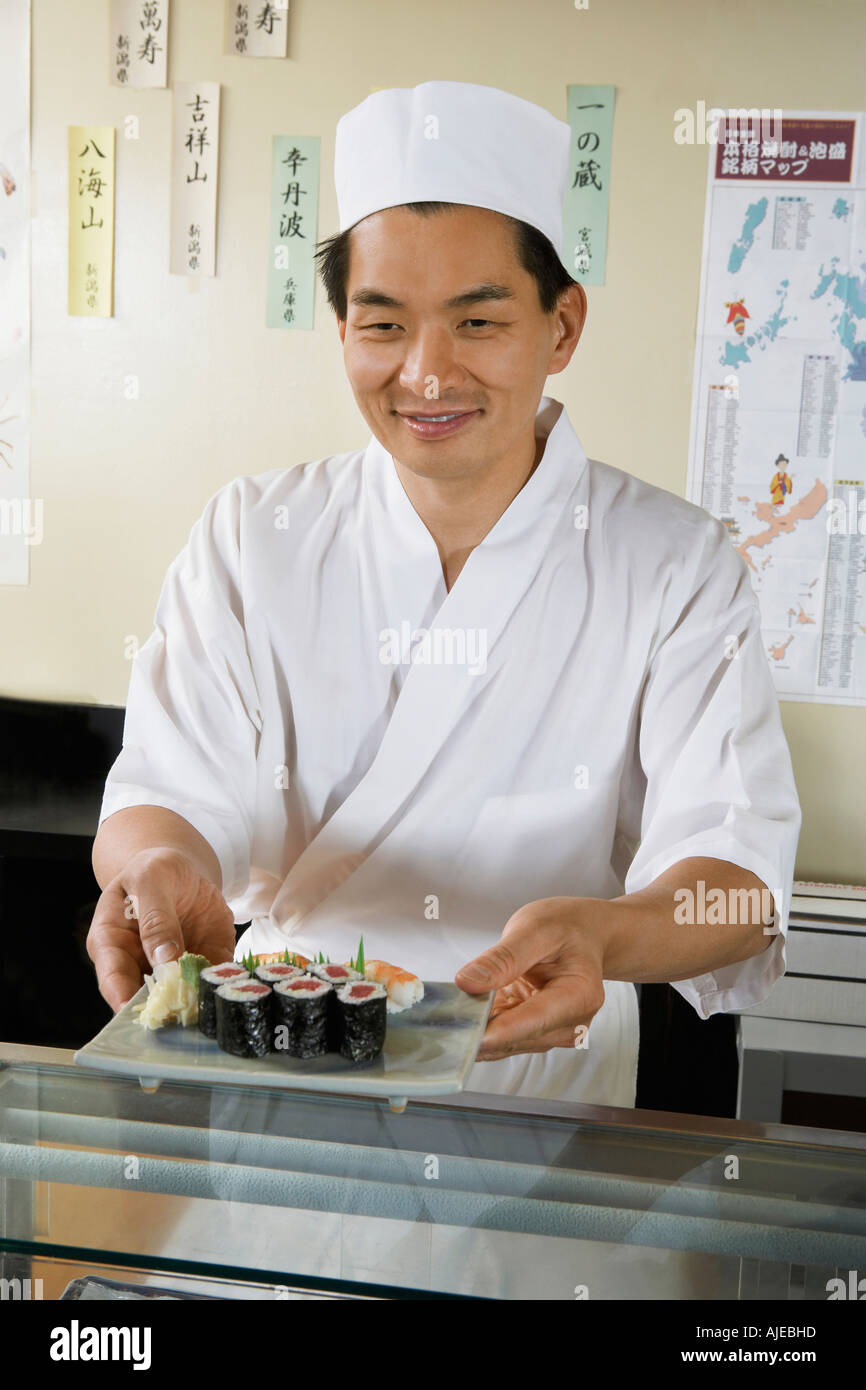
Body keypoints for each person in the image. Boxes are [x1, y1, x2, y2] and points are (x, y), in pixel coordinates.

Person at [88, 81, 801, 1107]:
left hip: (536, 1073)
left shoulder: (675, 562)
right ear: (340, 330)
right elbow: (165, 787)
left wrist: (601, 931)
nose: (425, 374)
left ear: (560, 328)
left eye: (476, 320)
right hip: (283, 1040)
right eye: (382, 324)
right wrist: (155, 866)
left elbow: (733, 883)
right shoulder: (253, 534)